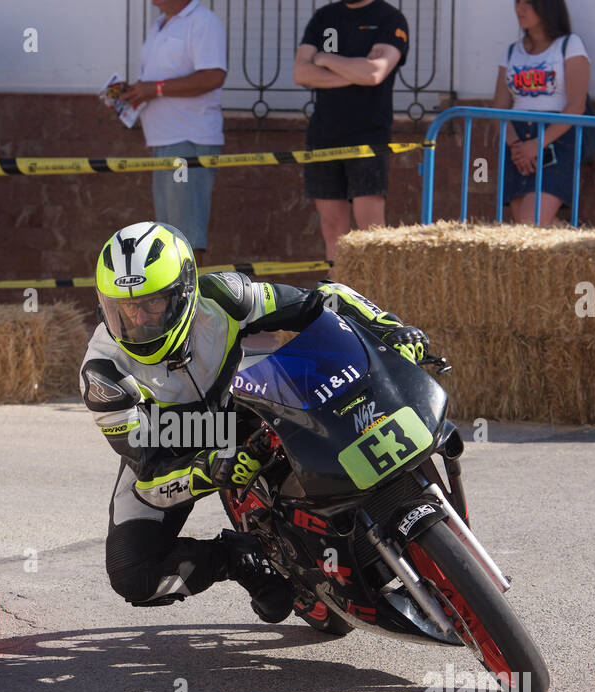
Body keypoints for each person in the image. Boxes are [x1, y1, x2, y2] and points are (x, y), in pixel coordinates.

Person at [81, 221, 431, 623]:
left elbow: (317, 303)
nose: (139, 321)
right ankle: (238, 559)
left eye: (152, 304)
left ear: (184, 293)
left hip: (243, 407)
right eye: (124, 308)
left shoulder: (225, 296)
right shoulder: (102, 373)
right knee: (131, 574)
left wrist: (389, 328)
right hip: (173, 449)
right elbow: (148, 471)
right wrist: (209, 467)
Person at [293, 0, 409, 263]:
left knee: (370, 231)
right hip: (323, 136)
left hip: (368, 138)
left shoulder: (390, 18)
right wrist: (353, 73)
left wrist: (324, 59)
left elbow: (374, 73)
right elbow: (300, 73)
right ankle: (337, 299)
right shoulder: (324, 17)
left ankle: (373, 300)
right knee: (333, 229)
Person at [117, 0, 227, 265]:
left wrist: (155, 89)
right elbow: (160, 79)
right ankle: (179, 302)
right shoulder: (160, 24)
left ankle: (190, 303)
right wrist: (136, 92)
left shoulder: (203, 22)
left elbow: (213, 76)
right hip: (166, 141)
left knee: (185, 235)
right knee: (169, 234)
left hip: (189, 139)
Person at [491, 0, 591, 226]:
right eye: (518, 3)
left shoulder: (569, 45)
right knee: (525, 229)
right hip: (516, 141)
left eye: (528, 4)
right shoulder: (511, 51)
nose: (519, 9)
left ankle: (575, 246)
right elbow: (498, 109)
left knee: (530, 221)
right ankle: (572, 245)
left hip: (555, 140)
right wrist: (517, 145)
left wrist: (537, 144)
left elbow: (577, 106)